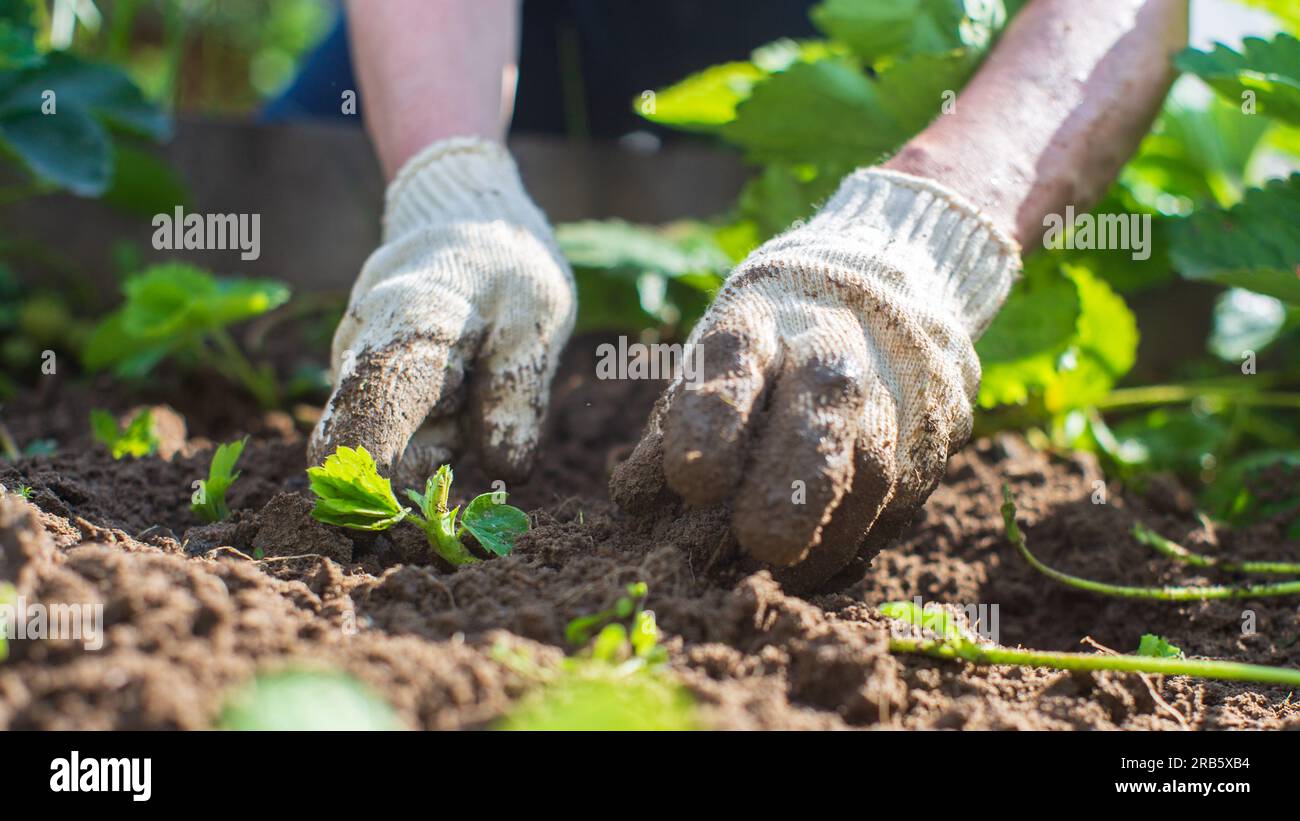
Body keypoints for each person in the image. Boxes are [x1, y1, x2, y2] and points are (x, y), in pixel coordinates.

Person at [299, 0, 1189, 590]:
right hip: (495, 39)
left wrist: (925, 226)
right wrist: (448, 182)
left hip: (846, 49)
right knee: (293, 171)